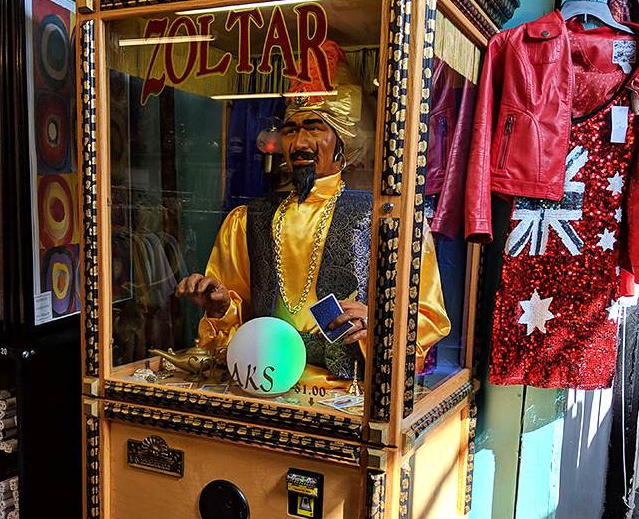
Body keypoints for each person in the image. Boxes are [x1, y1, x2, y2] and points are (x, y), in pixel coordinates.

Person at [176, 42, 450, 389]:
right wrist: (218, 308)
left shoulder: (385, 220)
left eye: (315, 128)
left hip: (344, 393)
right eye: (291, 130)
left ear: (342, 142)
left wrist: (379, 322)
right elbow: (232, 312)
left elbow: (426, 318)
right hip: (258, 384)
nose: (299, 144)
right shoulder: (247, 220)